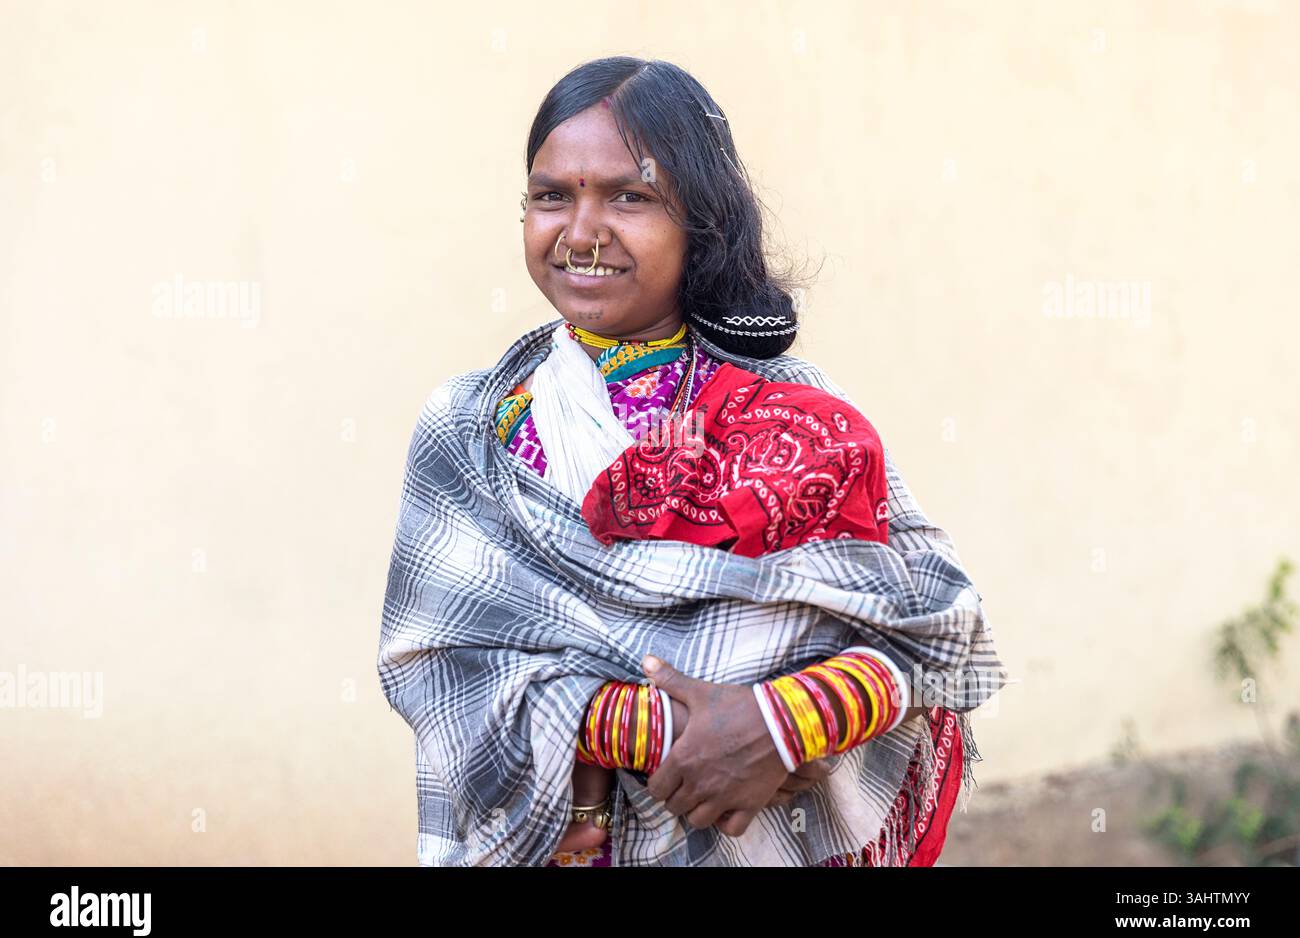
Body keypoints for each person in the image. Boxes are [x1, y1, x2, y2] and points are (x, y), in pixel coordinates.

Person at [378, 56, 1006, 867]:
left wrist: (783, 724)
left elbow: (937, 631)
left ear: (699, 219)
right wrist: (676, 731)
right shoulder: (472, 429)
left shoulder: (798, 414)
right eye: (550, 196)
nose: (581, 230)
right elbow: (439, 660)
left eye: (629, 196)